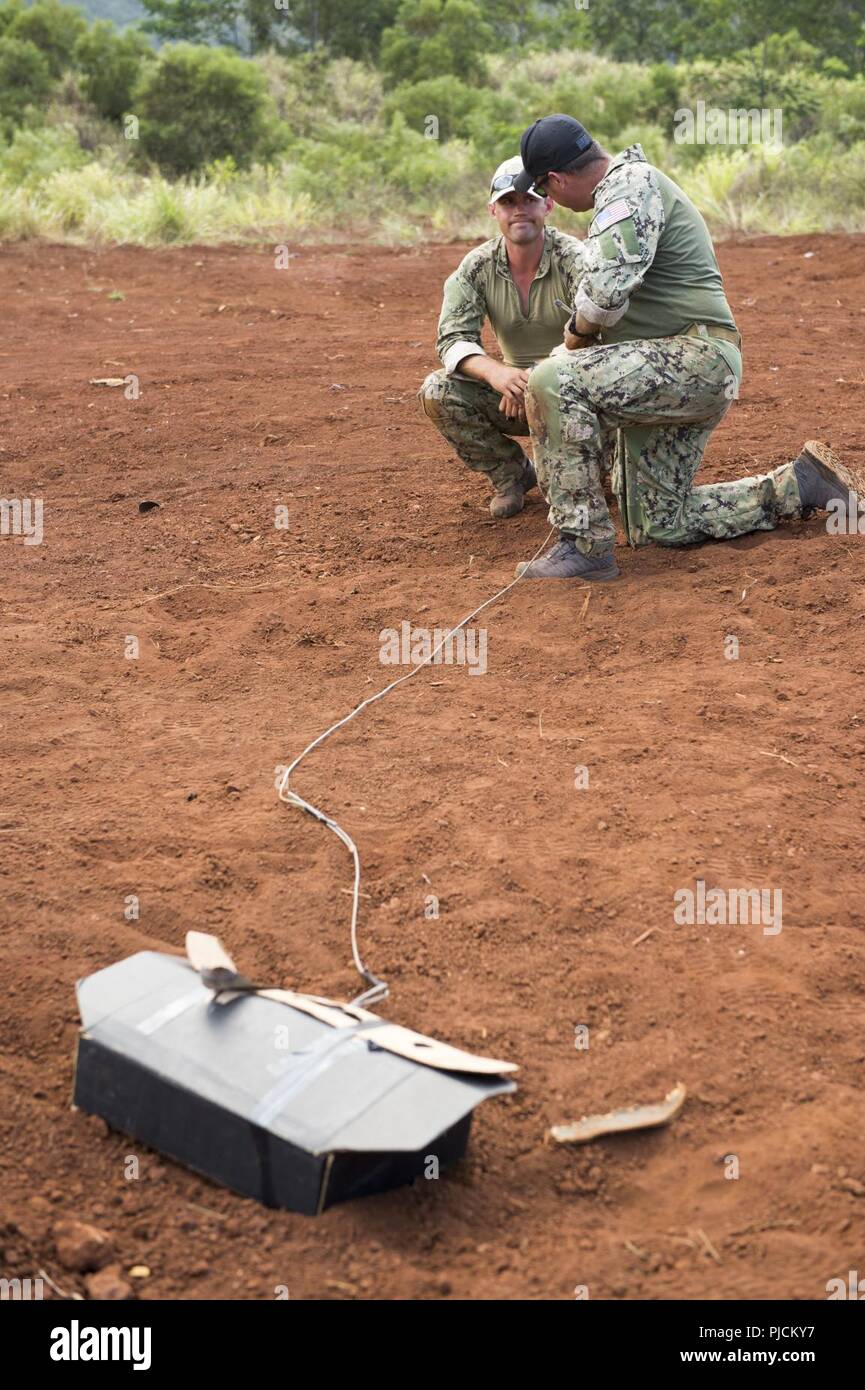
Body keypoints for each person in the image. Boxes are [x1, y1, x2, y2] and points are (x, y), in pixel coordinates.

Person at [507, 114, 864, 580]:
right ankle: (799, 485)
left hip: (695, 360)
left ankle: (584, 546)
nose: (548, 200)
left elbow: (605, 295)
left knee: (551, 380)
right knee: (659, 524)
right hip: (675, 364)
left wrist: (569, 345)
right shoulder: (628, 188)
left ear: (555, 179)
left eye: (544, 190)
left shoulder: (627, 189)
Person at [420, 156, 584, 519]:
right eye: (508, 202)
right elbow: (453, 338)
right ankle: (511, 475)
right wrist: (498, 374)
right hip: (511, 396)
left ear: (549, 204)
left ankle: (598, 464)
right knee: (438, 390)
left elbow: (601, 332)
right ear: (493, 210)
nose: (519, 210)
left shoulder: (575, 258)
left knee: (604, 486)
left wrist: (538, 378)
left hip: (576, 395)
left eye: (529, 199)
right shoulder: (476, 267)